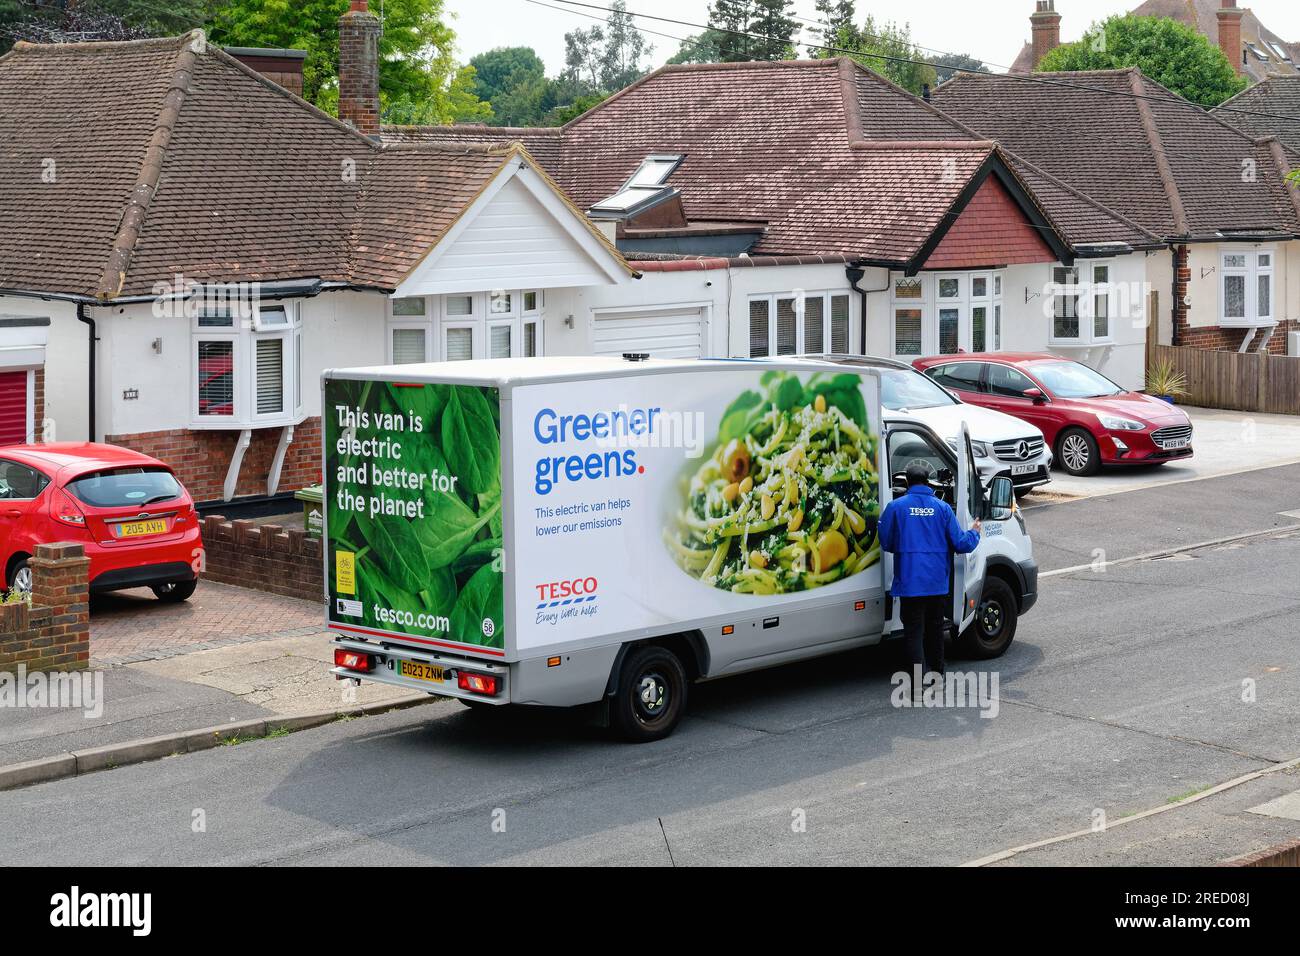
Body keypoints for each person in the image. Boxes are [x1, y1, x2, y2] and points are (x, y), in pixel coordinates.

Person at [877, 462, 981, 697]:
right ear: (928, 483)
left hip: (910, 583)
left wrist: (902, 547)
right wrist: (975, 531)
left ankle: (916, 683)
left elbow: (886, 541)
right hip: (936, 583)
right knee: (935, 630)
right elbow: (961, 543)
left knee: (913, 631)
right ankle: (937, 677)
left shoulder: (896, 507)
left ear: (906, 483)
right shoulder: (942, 508)